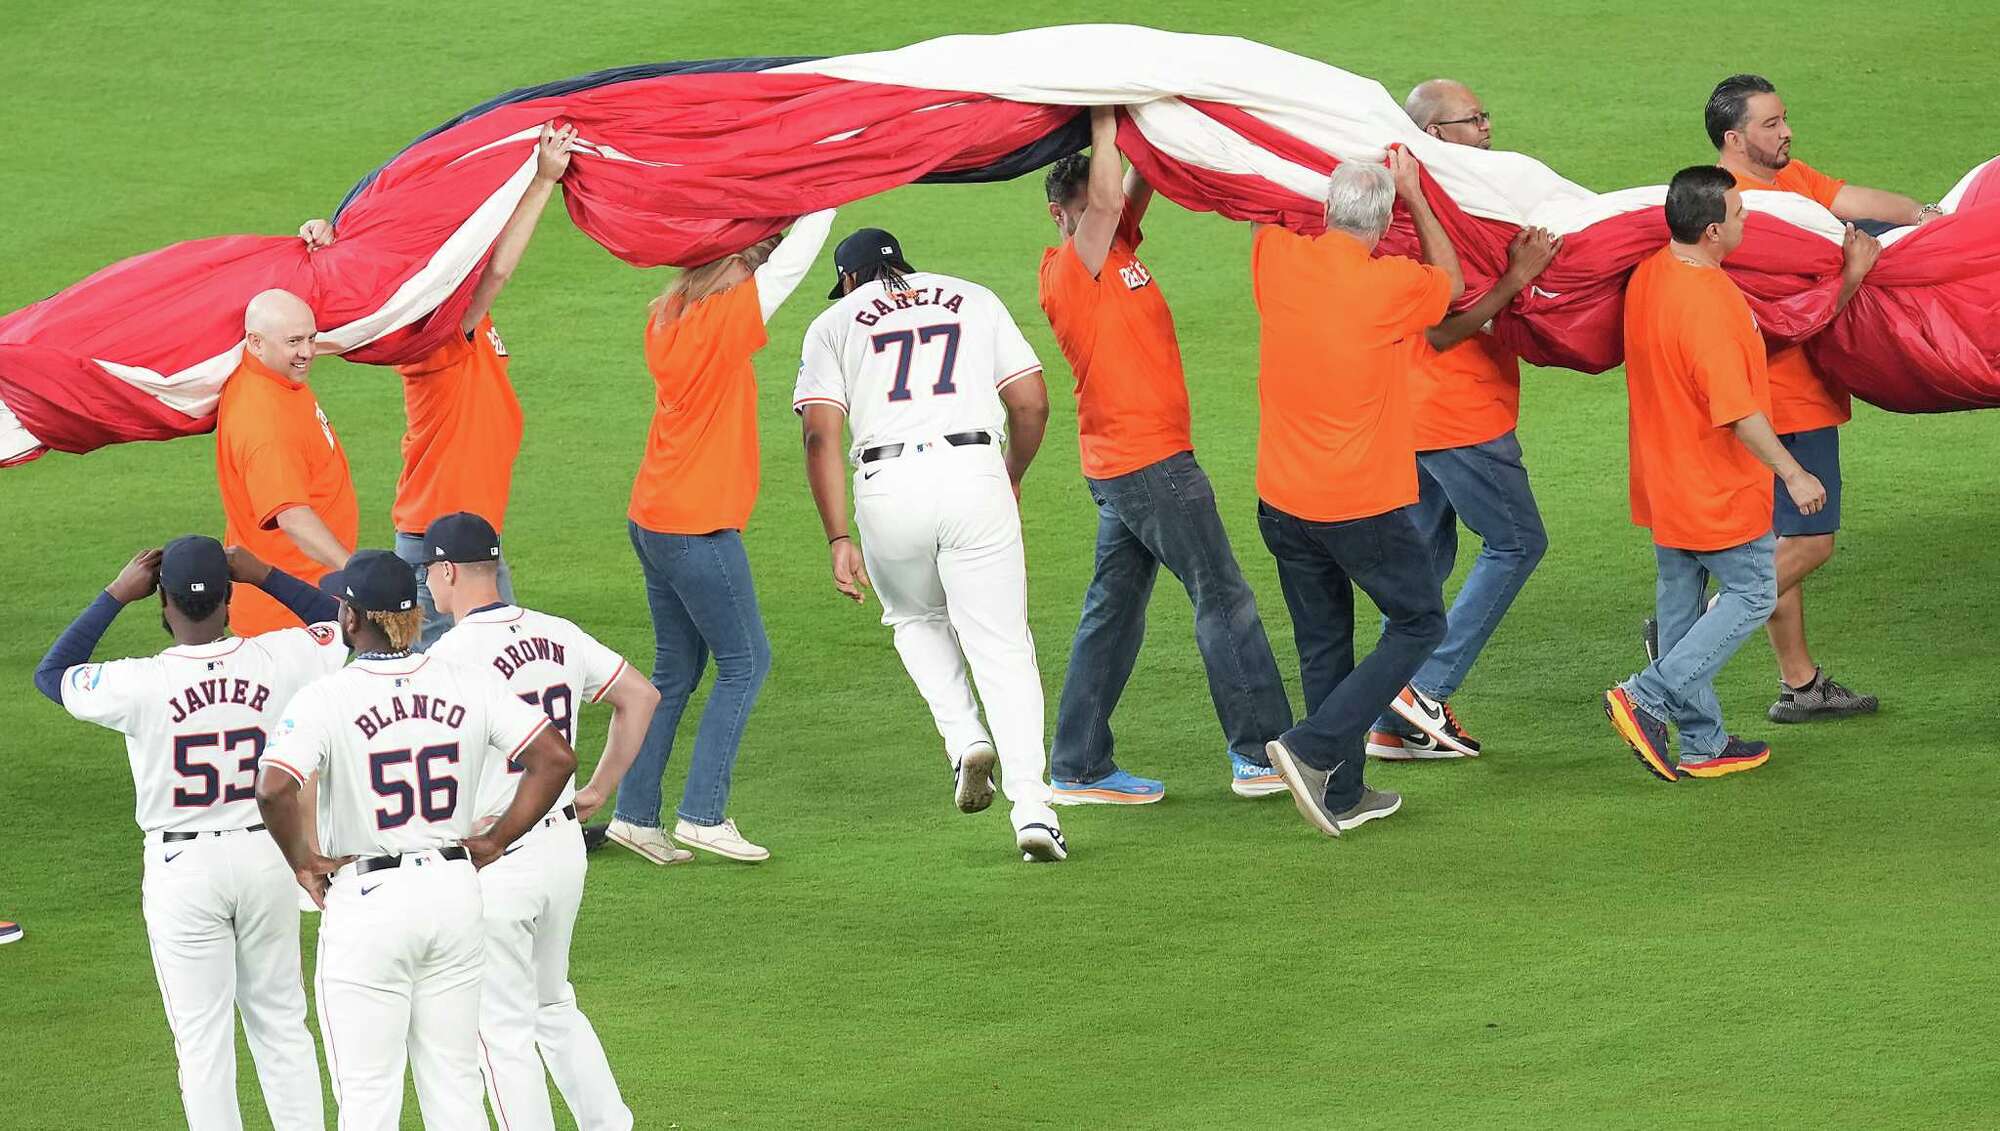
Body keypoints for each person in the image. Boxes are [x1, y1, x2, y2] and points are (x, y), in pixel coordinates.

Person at [256, 549, 578, 1131]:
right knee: (456, 1086)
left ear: (352, 617)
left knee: (369, 1094)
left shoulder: (327, 696)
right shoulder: (468, 682)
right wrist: (498, 840)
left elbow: (274, 788)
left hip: (370, 902)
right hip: (454, 893)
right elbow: (555, 758)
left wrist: (302, 862)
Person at [33, 538, 336, 1130]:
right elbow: (343, 622)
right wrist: (264, 574)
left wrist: (115, 594)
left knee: (203, 1042)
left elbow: (52, 674)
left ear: (163, 602)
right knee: (282, 1024)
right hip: (266, 855)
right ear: (228, 599)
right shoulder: (279, 658)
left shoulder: (138, 681)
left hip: (184, 871)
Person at [1037, 106, 1293, 804]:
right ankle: (1262, 753)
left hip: (1125, 462)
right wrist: (1101, 121)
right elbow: (1108, 200)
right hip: (1148, 462)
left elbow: (1134, 183)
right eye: (1092, 203)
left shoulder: (1116, 247)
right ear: (1063, 215)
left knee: (1113, 612)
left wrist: (1140, 123)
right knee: (1223, 595)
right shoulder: (1071, 268)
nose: (1107, 207)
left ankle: (1079, 765)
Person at [794, 227, 1069, 863]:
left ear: (848, 279)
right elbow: (1031, 403)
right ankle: (1033, 808)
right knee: (1001, 645)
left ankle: (964, 738)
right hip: (974, 472)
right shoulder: (973, 297)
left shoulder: (833, 323)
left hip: (888, 486)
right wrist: (1012, 473)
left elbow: (819, 437)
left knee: (915, 619)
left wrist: (838, 536)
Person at [606, 208, 835, 867]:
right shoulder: (721, 322)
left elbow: (770, 267)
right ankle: (702, 814)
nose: (759, 272)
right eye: (751, 262)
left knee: (674, 671)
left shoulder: (667, 317)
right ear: (731, 264)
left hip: (653, 515)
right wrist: (828, 193)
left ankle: (634, 815)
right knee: (746, 662)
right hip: (695, 524)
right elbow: (792, 265)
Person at [300, 123, 578, 650]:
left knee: (484, 667)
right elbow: (498, 270)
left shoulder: (460, 322)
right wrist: (542, 181)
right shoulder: (438, 336)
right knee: (438, 672)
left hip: (465, 532)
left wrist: (335, 240)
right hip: (440, 545)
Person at [1604, 166, 1841, 781]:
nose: (1746, 219)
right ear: (1711, 230)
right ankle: (1646, 696)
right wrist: (1794, 474)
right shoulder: (1709, 302)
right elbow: (1736, 411)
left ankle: (1703, 743)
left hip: (1663, 477)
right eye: (1738, 212)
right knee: (1755, 592)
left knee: (1680, 608)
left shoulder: (1651, 273)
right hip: (1714, 485)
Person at [1252, 154, 1463, 838]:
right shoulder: (1391, 284)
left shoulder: (1277, 258)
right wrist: (1418, 199)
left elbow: (1260, 205)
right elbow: (1453, 283)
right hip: (1359, 503)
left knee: (1323, 644)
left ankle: (1340, 792)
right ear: (1385, 222)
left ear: (1326, 210)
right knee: (1420, 622)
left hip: (1282, 499)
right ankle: (1313, 748)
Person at [424, 512, 648, 1131]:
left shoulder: (448, 658)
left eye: (430, 573)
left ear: (447, 572)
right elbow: (640, 696)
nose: (428, 585)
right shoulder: (559, 632)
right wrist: (599, 787)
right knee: (553, 1004)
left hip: (495, 856)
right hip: (561, 847)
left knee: (501, 1030)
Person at [1706, 73, 1917, 722]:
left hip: (1785, 396)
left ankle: (1799, 685)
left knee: (1778, 542)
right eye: (1771, 125)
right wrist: (1853, 276)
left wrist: (1932, 218)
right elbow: (1786, 322)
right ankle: (1692, 631)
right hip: (1785, 398)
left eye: (1784, 118)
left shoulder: (1781, 181)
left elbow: (1853, 199)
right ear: (1734, 138)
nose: (1787, 132)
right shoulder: (1742, 215)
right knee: (1812, 541)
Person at [1365, 81, 1562, 761]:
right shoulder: (1427, 213)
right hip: (1459, 415)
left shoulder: (1437, 200)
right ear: (1434, 134)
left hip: (1415, 412)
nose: (1486, 127)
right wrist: (1517, 278)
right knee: (1517, 542)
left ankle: (1389, 719)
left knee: (1422, 569)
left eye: (1485, 115)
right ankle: (1424, 689)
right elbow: (1444, 331)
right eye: (1472, 119)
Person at [215, 289, 358, 635]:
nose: (307, 352)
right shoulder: (265, 424)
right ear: (255, 342)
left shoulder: (274, 377)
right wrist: (357, 573)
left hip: (298, 599)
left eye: (311, 338)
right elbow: (293, 517)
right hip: (290, 617)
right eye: (294, 341)